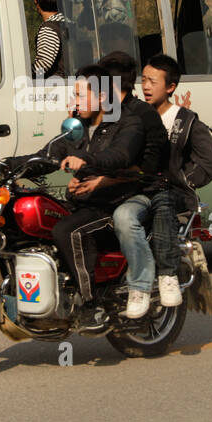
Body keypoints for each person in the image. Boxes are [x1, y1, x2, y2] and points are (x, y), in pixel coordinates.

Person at [8, 65, 144, 306]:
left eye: (80, 95)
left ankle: (91, 302)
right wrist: (2, 165)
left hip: (112, 205)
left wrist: (88, 161)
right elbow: (46, 157)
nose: (74, 101)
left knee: (66, 230)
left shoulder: (126, 124)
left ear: (101, 97)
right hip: (83, 204)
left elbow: (120, 156)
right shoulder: (77, 129)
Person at [92, 51, 169, 318]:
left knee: (124, 217)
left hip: (143, 191)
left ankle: (141, 285)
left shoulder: (142, 115)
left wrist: (101, 181)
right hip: (113, 190)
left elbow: (145, 169)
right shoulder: (108, 113)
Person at [141, 53, 212, 307]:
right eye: (143, 80)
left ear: (170, 87)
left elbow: (210, 163)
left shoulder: (186, 122)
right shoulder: (138, 116)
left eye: (153, 81)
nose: (145, 87)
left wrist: (182, 181)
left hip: (172, 197)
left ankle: (167, 277)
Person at [32, 0, 68, 79]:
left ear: (37, 3)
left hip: (56, 83)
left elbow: (44, 63)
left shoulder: (49, 28)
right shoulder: (67, 23)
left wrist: (27, 74)